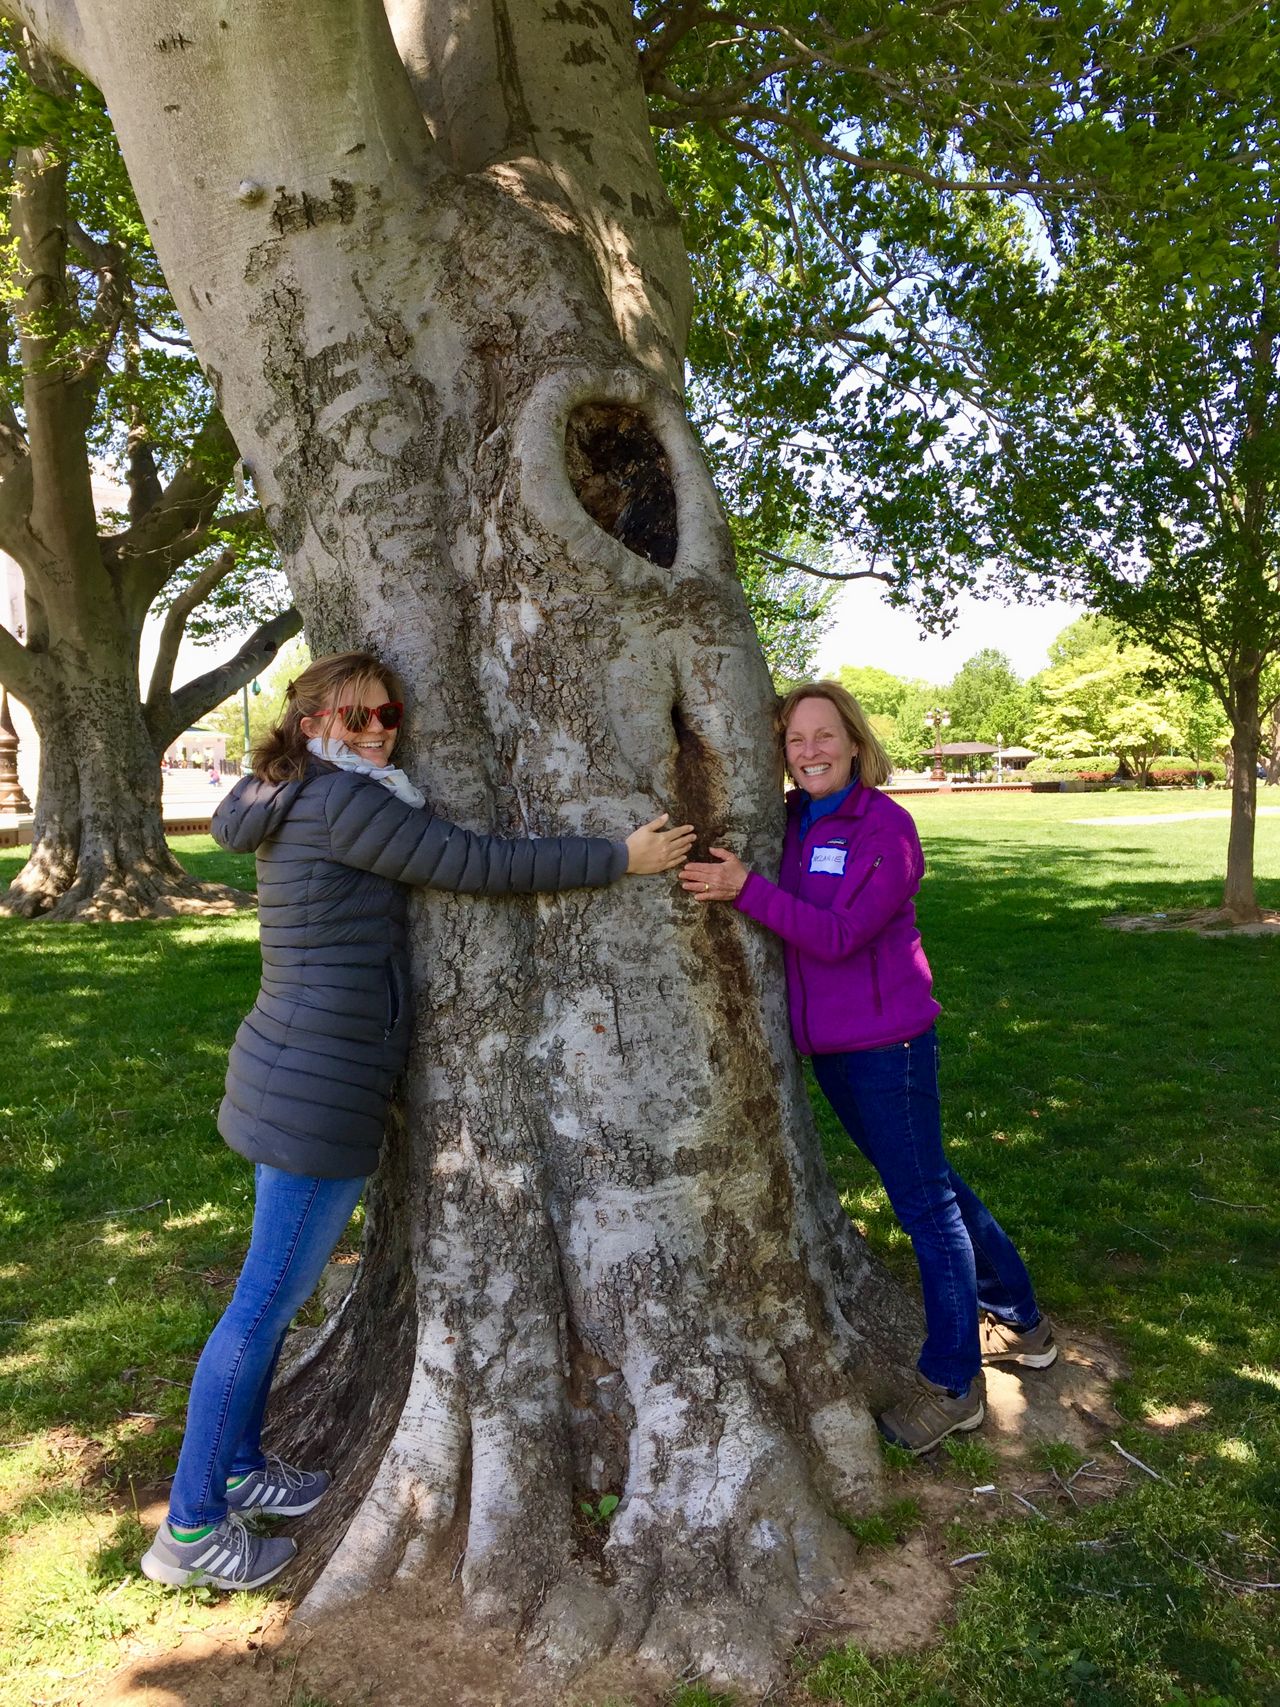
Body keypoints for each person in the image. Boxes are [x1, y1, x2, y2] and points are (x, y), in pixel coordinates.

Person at [141, 650, 694, 1591]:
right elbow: (474, 863)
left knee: (267, 1299)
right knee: (262, 1303)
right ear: (312, 722)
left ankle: (237, 1470)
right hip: (319, 1086)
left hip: (293, 1068)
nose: (377, 730)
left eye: (386, 713)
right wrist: (621, 857)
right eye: (353, 718)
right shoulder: (349, 803)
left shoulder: (293, 791)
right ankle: (189, 1531)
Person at [680, 679, 1054, 1455]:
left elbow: (842, 934)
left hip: (892, 1047)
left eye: (824, 735)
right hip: (833, 1052)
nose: (810, 750)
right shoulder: (786, 818)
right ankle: (1022, 1317)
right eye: (795, 740)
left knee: (924, 1207)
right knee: (931, 1184)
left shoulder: (887, 826)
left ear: (854, 741)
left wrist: (745, 890)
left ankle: (954, 1385)